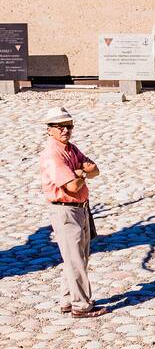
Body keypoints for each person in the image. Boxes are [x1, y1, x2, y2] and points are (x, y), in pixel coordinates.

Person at [39, 106, 105, 318]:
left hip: (81, 209)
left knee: (78, 257)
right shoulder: (53, 155)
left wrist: (80, 172)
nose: (66, 130)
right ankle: (81, 306)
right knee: (75, 259)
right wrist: (81, 173)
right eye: (60, 127)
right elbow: (72, 187)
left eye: (69, 126)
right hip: (65, 211)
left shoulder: (71, 149)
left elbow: (95, 169)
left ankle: (68, 300)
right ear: (49, 130)